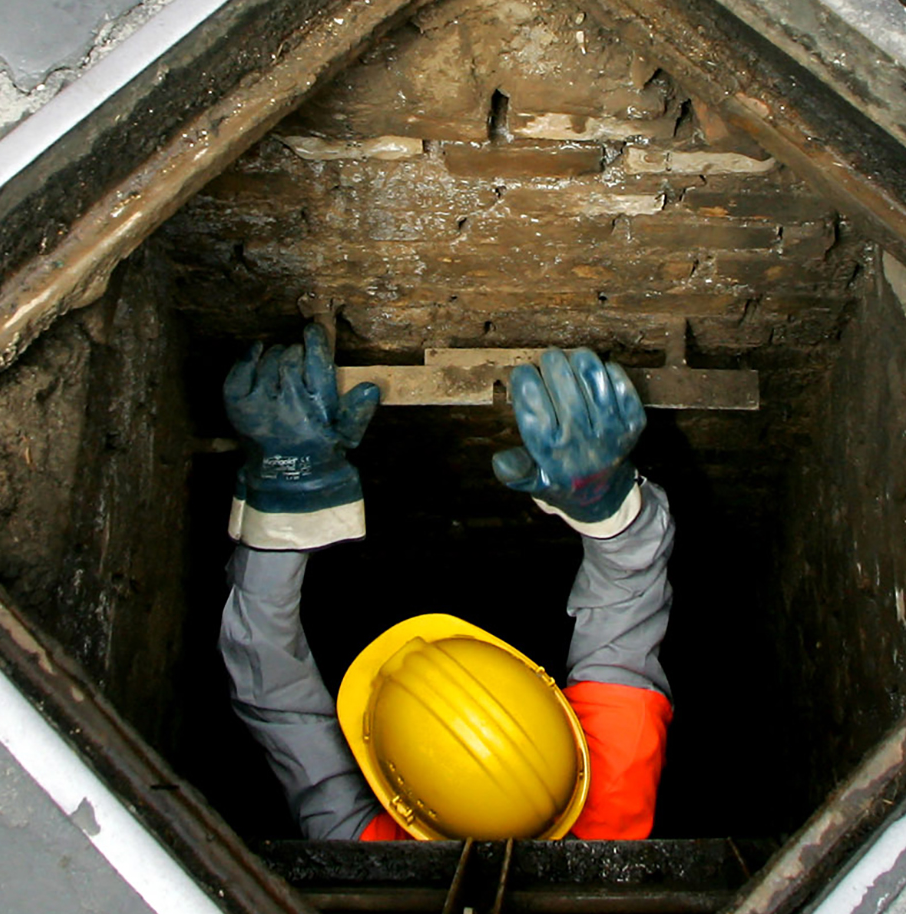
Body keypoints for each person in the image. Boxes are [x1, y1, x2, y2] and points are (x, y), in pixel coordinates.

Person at [216, 327, 675, 842]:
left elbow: (270, 683)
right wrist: (606, 506)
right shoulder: (611, 798)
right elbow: (629, 595)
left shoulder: (370, 856)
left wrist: (286, 496)